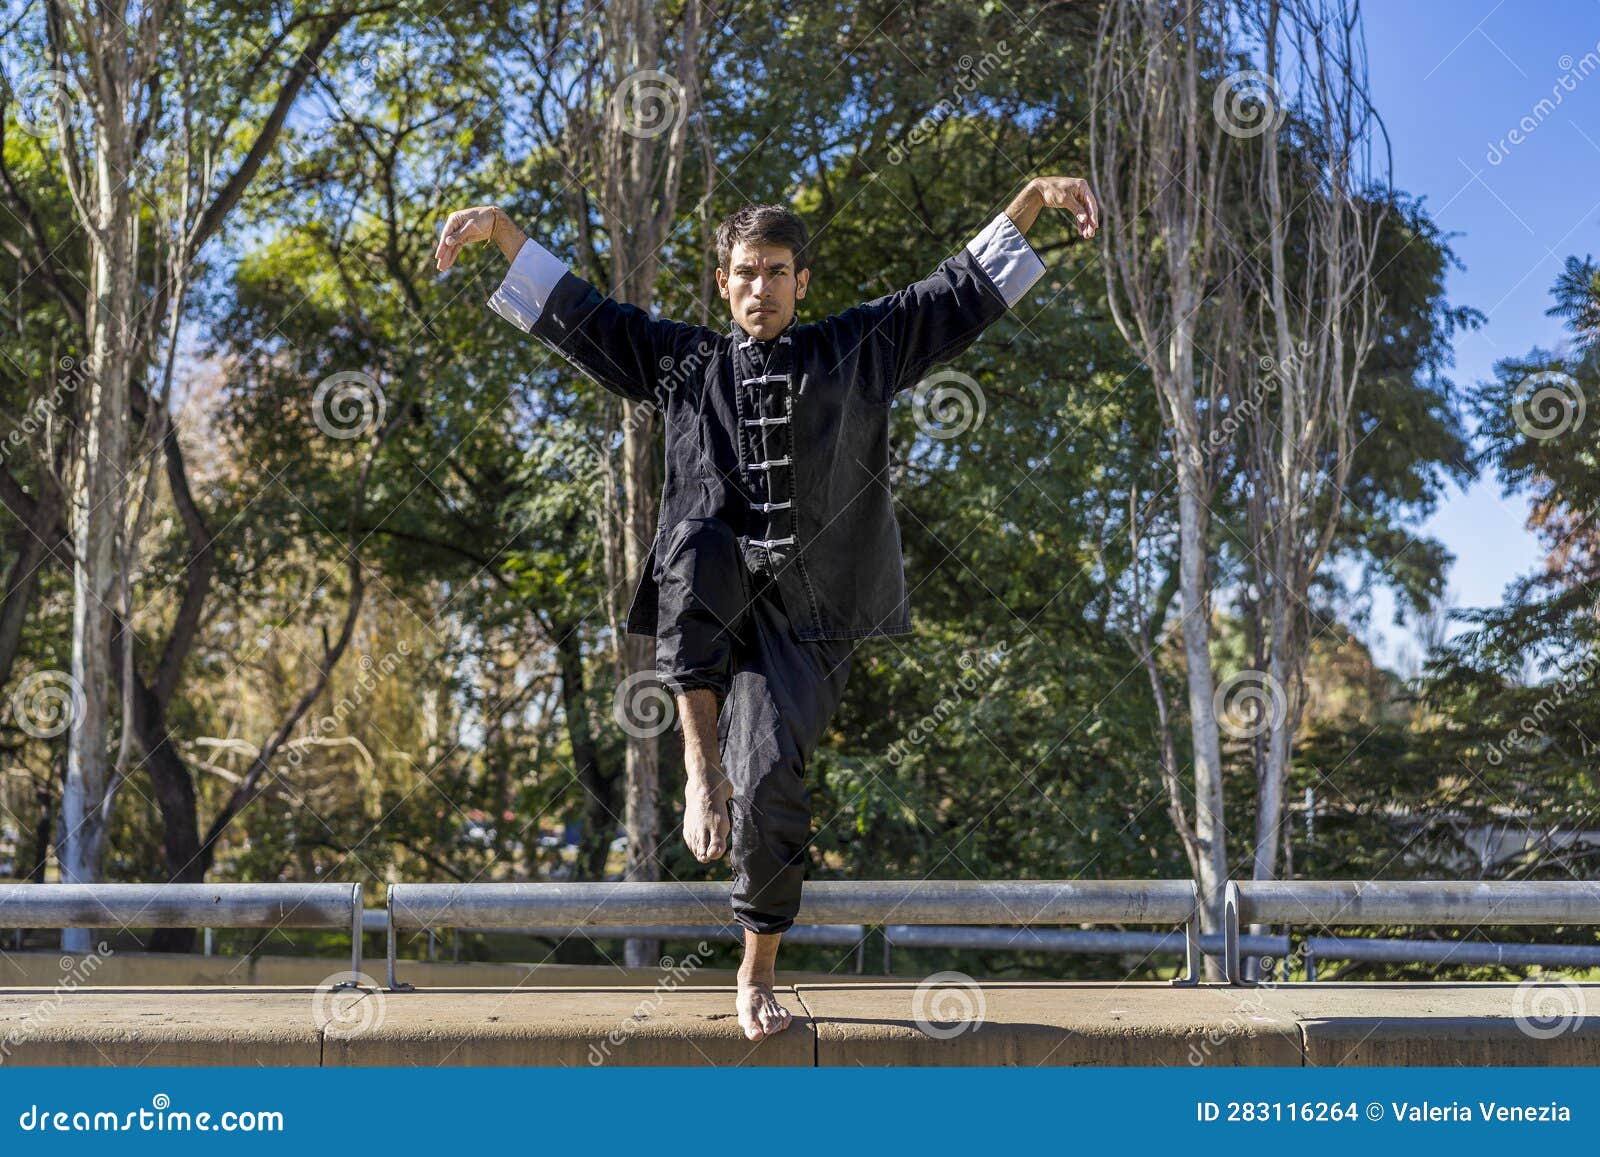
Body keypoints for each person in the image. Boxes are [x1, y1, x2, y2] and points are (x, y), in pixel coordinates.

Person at [434, 177, 1098, 1041]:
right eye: (746, 271)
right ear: (724, 282)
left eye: (777, 271)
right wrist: (503, 232)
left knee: (775, 774)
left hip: (806, 619)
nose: (761, 287)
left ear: (801, 282)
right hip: (708, 609)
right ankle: (698, 763)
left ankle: (758, 966)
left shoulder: (855, 350)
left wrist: (1031, 203)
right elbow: (587, 318)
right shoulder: (686, 364)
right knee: (697, 539)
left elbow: (954, 295)